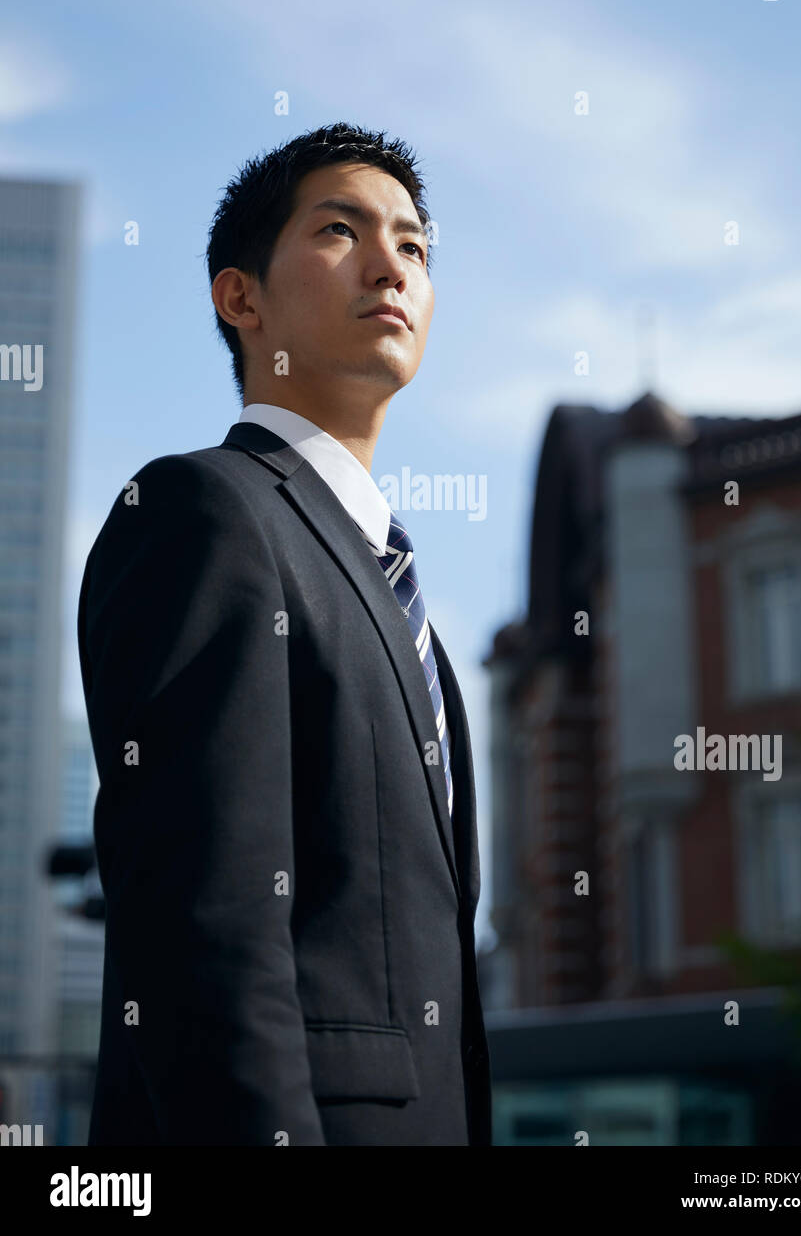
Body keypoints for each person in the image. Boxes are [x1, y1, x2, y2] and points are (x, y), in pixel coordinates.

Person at [78, 122, 491, 1146]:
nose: (391, 262)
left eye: (415, 244)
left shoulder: (409, 611)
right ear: (241, 296)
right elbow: (202, 928)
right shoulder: (201, 513)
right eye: (341, 229)